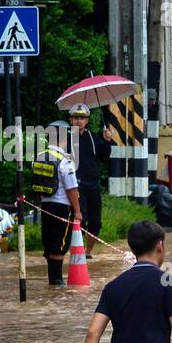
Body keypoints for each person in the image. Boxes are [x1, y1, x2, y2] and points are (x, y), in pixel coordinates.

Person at [33, 142, 82, 287]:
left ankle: (53, 280)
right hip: (62, 207)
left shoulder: (39, 157)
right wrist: (78, 211)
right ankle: (56, 281)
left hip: (46, 205)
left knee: (49, 242)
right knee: (59, 244)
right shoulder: (64, 161)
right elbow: (71, 188)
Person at [68, 103, 111, 259]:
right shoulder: (66, 138)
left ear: (87, 120)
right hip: (74, 185)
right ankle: (75, 250)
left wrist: (107, 142)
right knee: (80, 219)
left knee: (96, 222)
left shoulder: (94, 137)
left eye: (82, 118)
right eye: (76, 118)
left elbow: (104, 158)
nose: (79, 121)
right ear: (71, 119)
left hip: (93, 184)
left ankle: (88, 251)